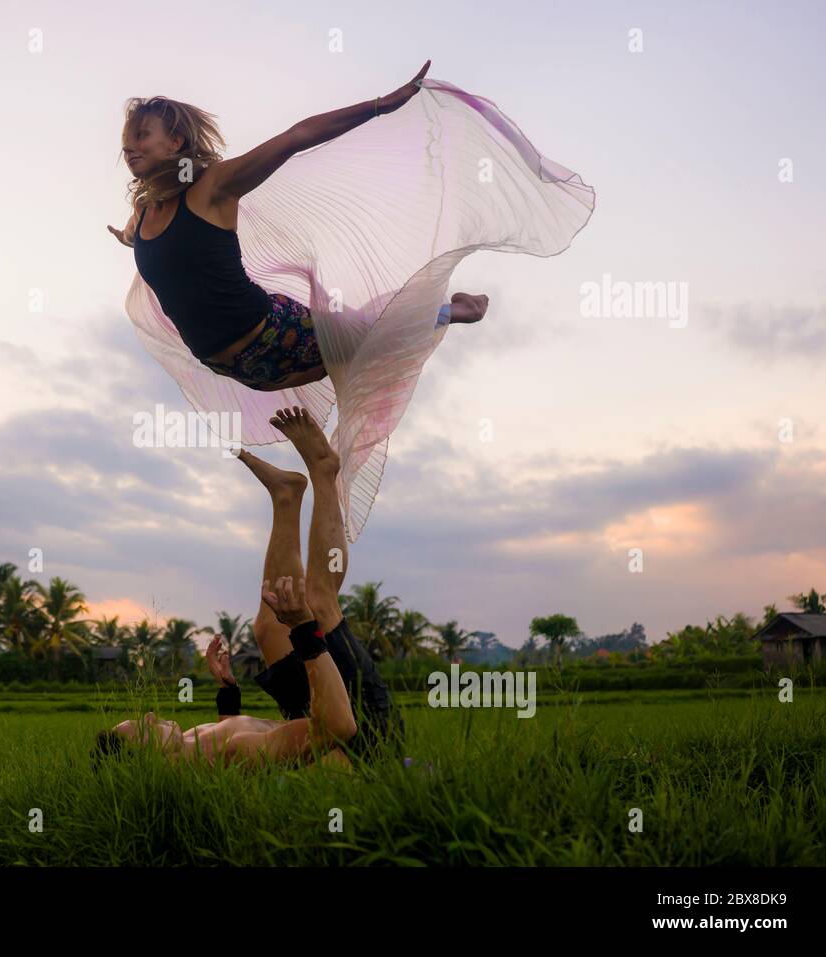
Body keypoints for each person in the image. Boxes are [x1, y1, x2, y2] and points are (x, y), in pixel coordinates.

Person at [111, 68, 595, 541]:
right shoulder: (144, 211)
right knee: (364, 328)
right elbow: (145, 237)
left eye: (141, 135)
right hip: (243, 372)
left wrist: (380, 105)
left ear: (176, 143)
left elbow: (296, 136)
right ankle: (443, 313)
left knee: (372, 330)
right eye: (127, 139)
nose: (129, 146)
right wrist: (130, 236)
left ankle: (454, 311)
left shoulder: (214, 187)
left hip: (278, 338)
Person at [96, 407, 402, 770]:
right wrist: (305, 629)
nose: (148, 716)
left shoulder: (187, 745)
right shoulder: (227, 757)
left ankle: (286, 497)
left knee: (269, 628)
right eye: (144, 729)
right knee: (318, 605)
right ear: (150, 758)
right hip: (363, 739)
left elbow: (229, 730)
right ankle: (324, 471)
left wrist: (228, 691)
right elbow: (335, 728)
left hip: (310, 721)